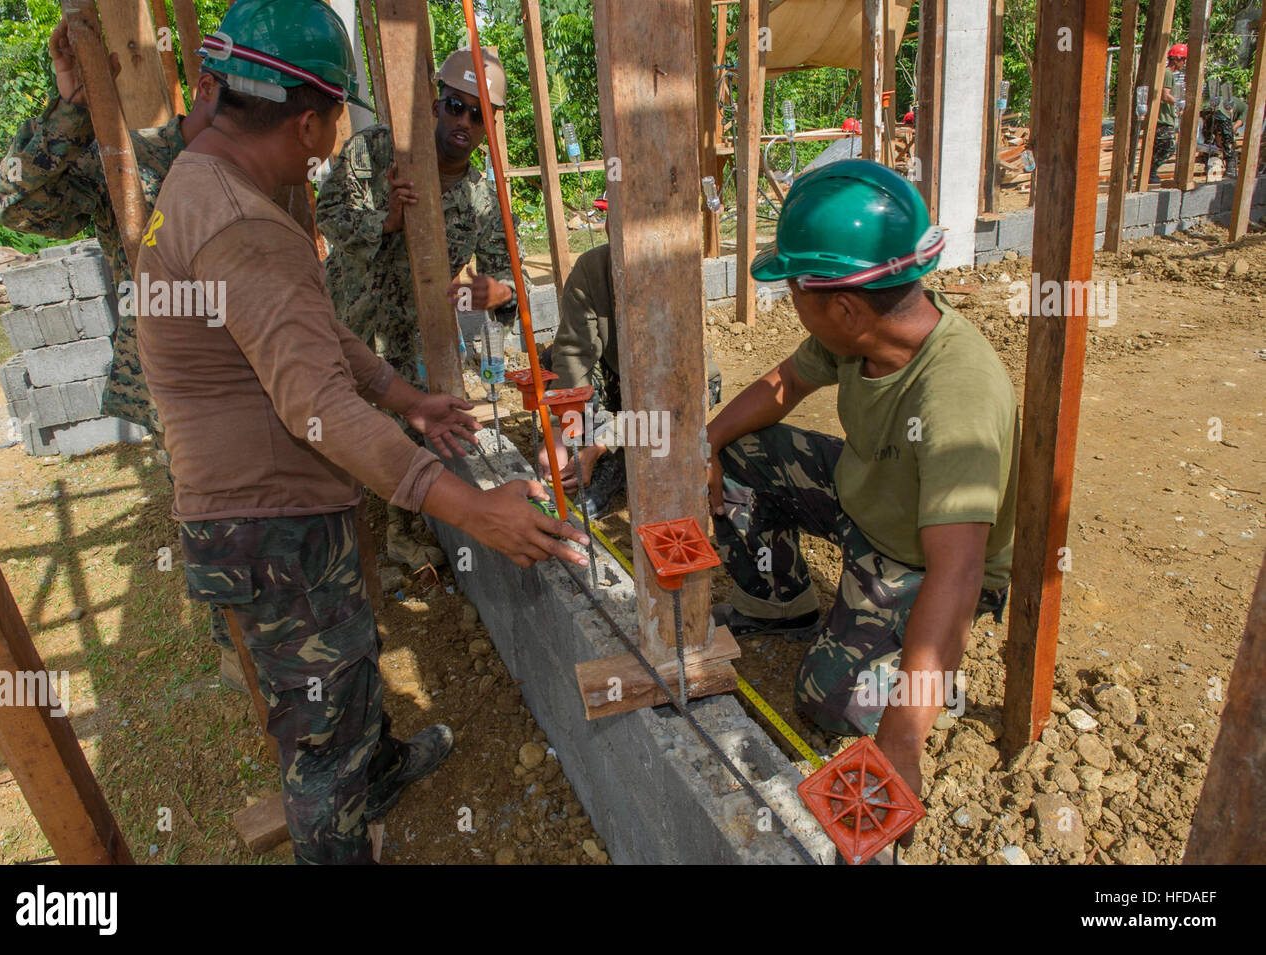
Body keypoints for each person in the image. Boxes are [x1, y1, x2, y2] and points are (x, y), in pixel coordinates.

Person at [135, 0, 588, 864]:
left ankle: (375, 764)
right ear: (310, 118)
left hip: (265, 507)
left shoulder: (205, 184)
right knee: (318, 732)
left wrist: (406, 396)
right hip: (271, 521)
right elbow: (320, 409)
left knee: (346, 658)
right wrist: (470, 508)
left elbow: (309, 327)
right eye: (333, 116)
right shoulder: (248, 224)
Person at [706, 160, 1019, 798]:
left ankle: (916, 655)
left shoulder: (956, 396)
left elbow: (957, 570)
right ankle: (780, 605)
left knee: (829, 703)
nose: (788, 300)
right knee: (742, 454)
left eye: (793, 287)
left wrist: (902, 739)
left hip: (924, 562)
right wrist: (704, 442)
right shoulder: (860, 335)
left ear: (846, 308)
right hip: (865, 497)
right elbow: (784, 384)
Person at [0, 16, 249, 688]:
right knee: (211, 515)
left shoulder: (266, 159)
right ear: (210, 84)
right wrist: (73, 103)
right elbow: (13, 206)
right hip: (174, 385)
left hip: (255, 373)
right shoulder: (130, 160)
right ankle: (240, 648)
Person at [316, 47, 520, 572]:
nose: (464, 122)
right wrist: (385, 220)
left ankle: (399, 534)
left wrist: (496, 295)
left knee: (408, 428)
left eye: (478, 115)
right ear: (435, 105)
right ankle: (324, 531)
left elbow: (502, 278)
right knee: (323, 423)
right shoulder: (380, 150)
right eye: (456, 106)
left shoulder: (484, 196)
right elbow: (330, 214)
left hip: (407, 334)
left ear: (490, 126)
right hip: (340, 320)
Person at [537, 235, 723, 517]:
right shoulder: (592, 269)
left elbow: (670, 400)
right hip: (621, 373)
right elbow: (573, 354)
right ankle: (599, 449)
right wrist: (560, 430)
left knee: (667, 424)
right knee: (552, 359)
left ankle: (616, 462)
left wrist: (601, 447)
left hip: (682, 390)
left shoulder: (676, 274)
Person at [1149, 43, 1187, 185]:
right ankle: (1151, 171)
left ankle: (1150, 172)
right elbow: (1165, 95)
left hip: (1165, 117)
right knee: (1169, 146)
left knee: (1159, 147)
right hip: (1163, 119)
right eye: (1183, 59)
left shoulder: (1166, 74)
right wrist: (1179, 103)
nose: (1184, 63)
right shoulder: (1167, 74)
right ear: (1176, 59)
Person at [1201, 80, 1248, 178]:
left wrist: (1218, 137)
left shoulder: (1237, 103)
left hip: (1207, 109)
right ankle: (1230, 170)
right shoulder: (1247, 109)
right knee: (1228, 141)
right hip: (1221, 111)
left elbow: (1216, 129)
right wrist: (1225, 138)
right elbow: (1233, 128)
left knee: (1209, 140)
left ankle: (1209, 167)